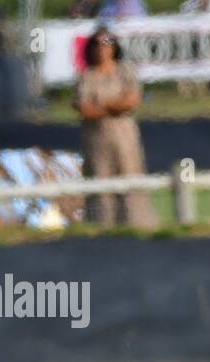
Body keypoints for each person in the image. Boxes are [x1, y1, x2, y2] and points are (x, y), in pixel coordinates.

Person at [74, 26, 157, 228]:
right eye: (97, 44)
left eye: (107, 43)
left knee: (129, 178)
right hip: (97, 139)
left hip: (124, 137)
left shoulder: (125, 72)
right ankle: (103, 226)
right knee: (100, 181)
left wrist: (102, 104)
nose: (102, 48)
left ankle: (136, 225)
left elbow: (131, 101)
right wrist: (113, 106)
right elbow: (85, 109)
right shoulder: (87, 76)